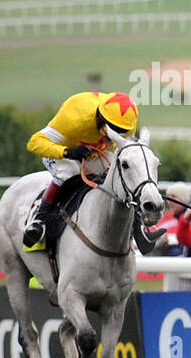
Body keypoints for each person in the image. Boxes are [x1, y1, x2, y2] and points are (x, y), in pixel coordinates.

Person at [22, 91, 142, 251]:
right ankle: (39, 220)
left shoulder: (126, 123)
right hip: (60, 153)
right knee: (69, 171)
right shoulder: (75, 117)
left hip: (91, 154)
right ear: (100, 118)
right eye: (111, 129)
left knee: (119, 171)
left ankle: (137, 223)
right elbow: (34, 143)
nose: (114, 136)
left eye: (120, 132)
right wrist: (68, 152)